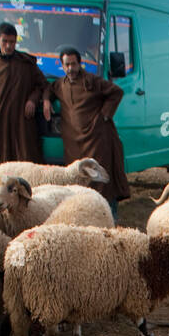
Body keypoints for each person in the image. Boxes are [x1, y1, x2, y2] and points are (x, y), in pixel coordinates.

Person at [48, 47, 130, 219]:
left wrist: (104, 116)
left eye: (73, 64)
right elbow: (48, 90)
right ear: (62, 66)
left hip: (98, 140)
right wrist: (46, 101)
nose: (70, 68)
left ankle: (109, 218)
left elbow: (116, 92)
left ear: (80, 64)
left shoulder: (92, 81)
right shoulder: (60, 85)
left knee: (102, 181)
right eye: (67, 65)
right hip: (74, 144)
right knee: (80, 182)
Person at [0, 23, 50, 165]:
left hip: (22, 123)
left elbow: (43, 85)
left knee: (26, 161)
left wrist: (33, 100)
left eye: (12, 42)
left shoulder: (27, 65)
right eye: (5, 41)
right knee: (1, 165)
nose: (9, 46)